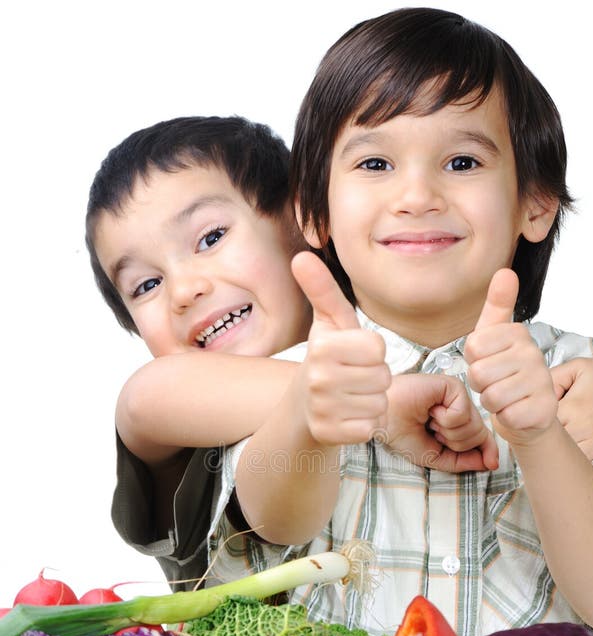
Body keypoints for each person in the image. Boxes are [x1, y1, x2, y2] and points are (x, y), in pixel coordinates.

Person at [207, 7, 593, 636]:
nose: (416, 194)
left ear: (533, 202)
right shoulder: (292, 372)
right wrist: (308, 416)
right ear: (314, 211)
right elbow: (272, 524)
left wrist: (539, 438)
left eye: (461, 160)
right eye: (376, 162)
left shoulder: (579, 375)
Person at [85, 114, 495, 589]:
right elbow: (144, 400)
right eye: (147, 285)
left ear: (301, 221)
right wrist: (377, 403)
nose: (184, 290)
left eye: (211, 238)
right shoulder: (190, 430)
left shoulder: (395, 345)